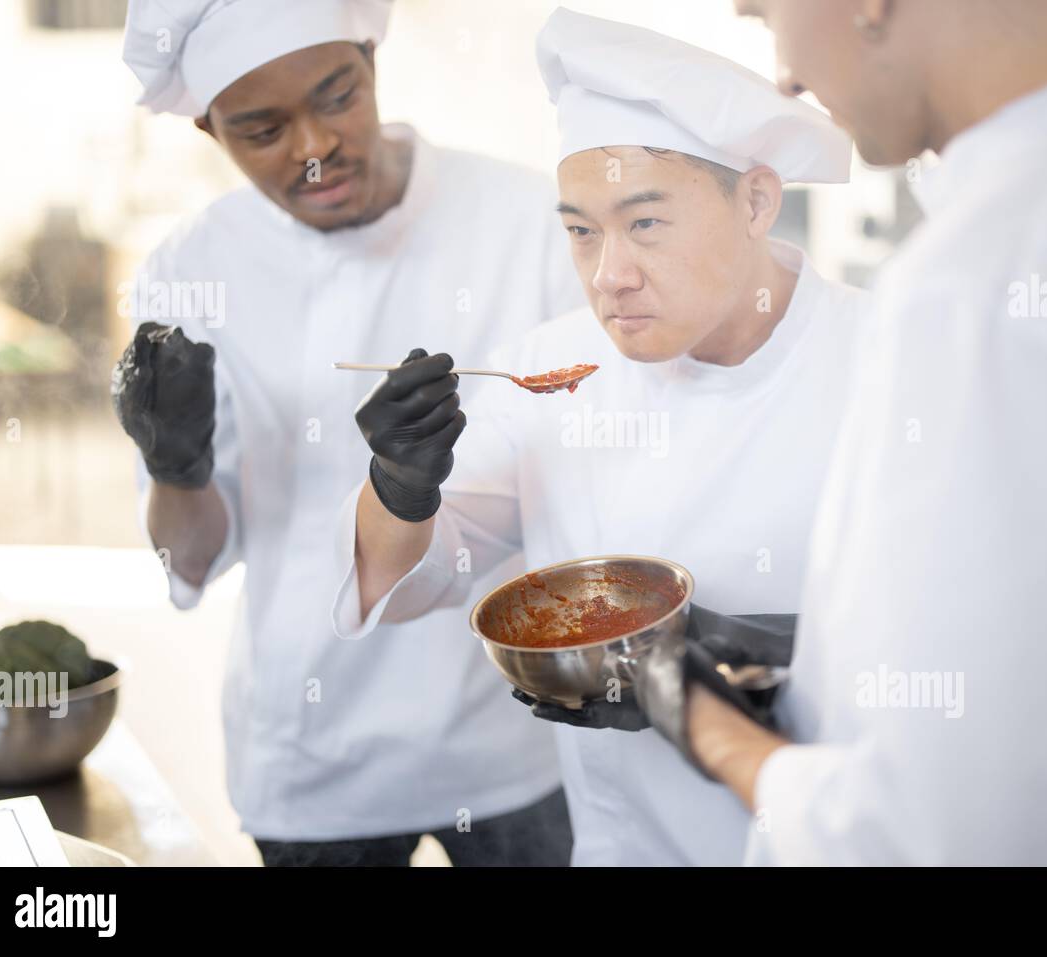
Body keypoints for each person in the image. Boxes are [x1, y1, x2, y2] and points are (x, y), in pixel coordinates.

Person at [663, 0, 1047, 865]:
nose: (787, 74)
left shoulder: (984, 278)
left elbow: (927, 840)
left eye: (767, 13)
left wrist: (707, 727)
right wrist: (829, 663)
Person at [332, 8, 868, 866]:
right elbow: (409, 578)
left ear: (757, 200)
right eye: (582, 231)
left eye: (646, 223)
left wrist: (782, 655)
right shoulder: (549, 372)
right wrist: (400, 483)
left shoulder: (883, 367)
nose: (608, 276)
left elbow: (978, 663)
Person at [114, 0, 583, 866]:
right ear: (210, 132)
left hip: (511, 733)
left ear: (372, 58)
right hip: (315, 753)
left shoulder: (528, 221)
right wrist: (173, 466)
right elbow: (188, 560)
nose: (315, 147)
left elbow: (588, 474)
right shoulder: (189, 274)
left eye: (338, 96)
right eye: (262, 130)